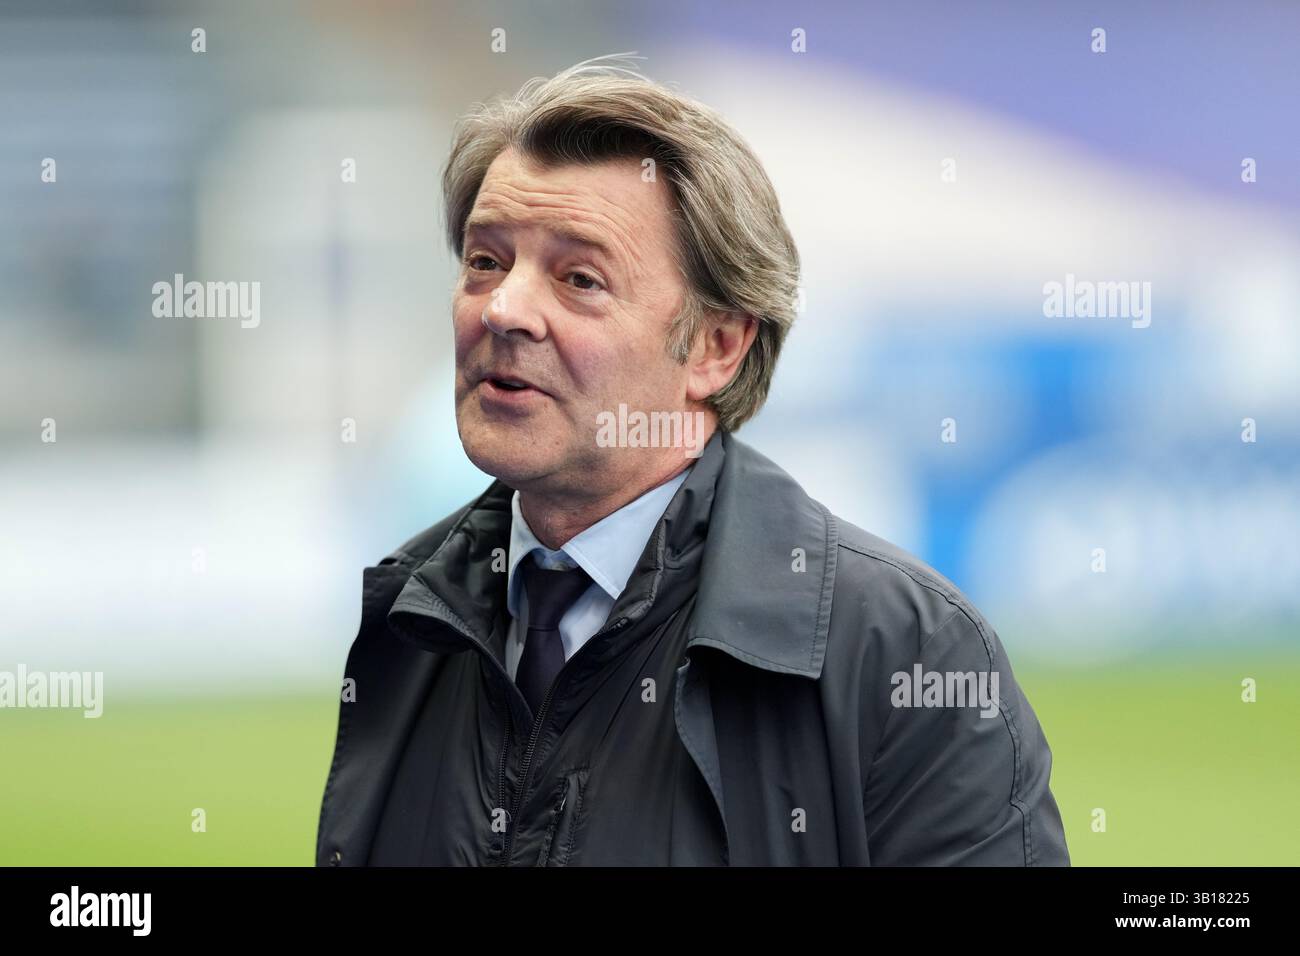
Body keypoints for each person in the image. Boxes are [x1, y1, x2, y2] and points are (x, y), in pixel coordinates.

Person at [316, 56, 1070, 866]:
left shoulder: (907, 655)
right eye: (485, 261)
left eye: (579, 278)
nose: (503, 308)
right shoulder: (413, 621)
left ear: (715, 346)